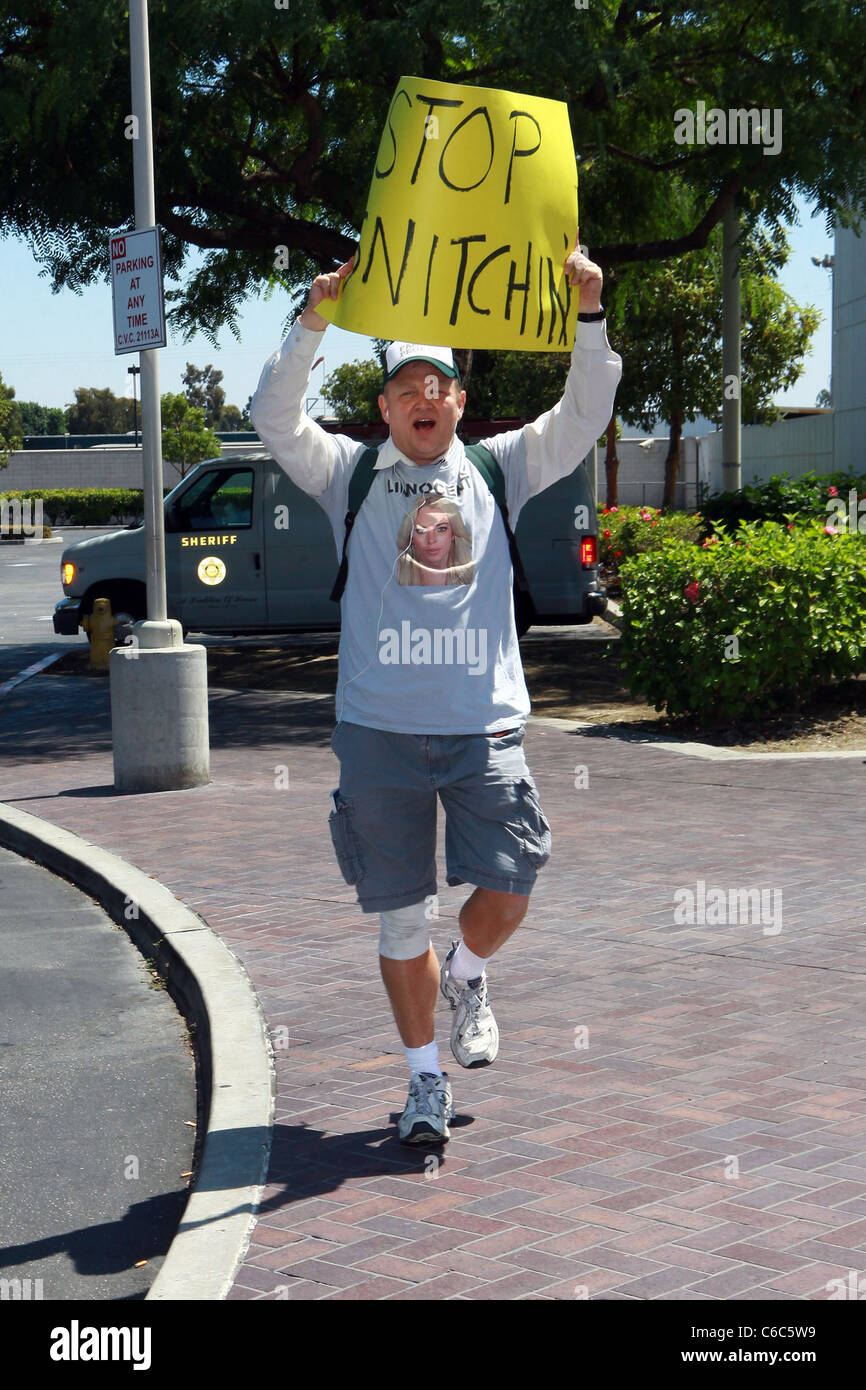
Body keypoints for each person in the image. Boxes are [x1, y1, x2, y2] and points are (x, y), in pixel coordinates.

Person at [251, 233, 622, 1145]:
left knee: (512, 885)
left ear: (461, 401)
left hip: (483, 728)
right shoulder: (350, 475)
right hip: (377, 732)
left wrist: (589, 311)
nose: (424, 400)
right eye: (406, 388)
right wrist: (313, 321)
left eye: (439, 386)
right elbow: (272, 413)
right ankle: (424, 1083)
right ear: (381, 407)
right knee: (396, 914)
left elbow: (585, 411)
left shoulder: (501, 467)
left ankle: (468, 969)